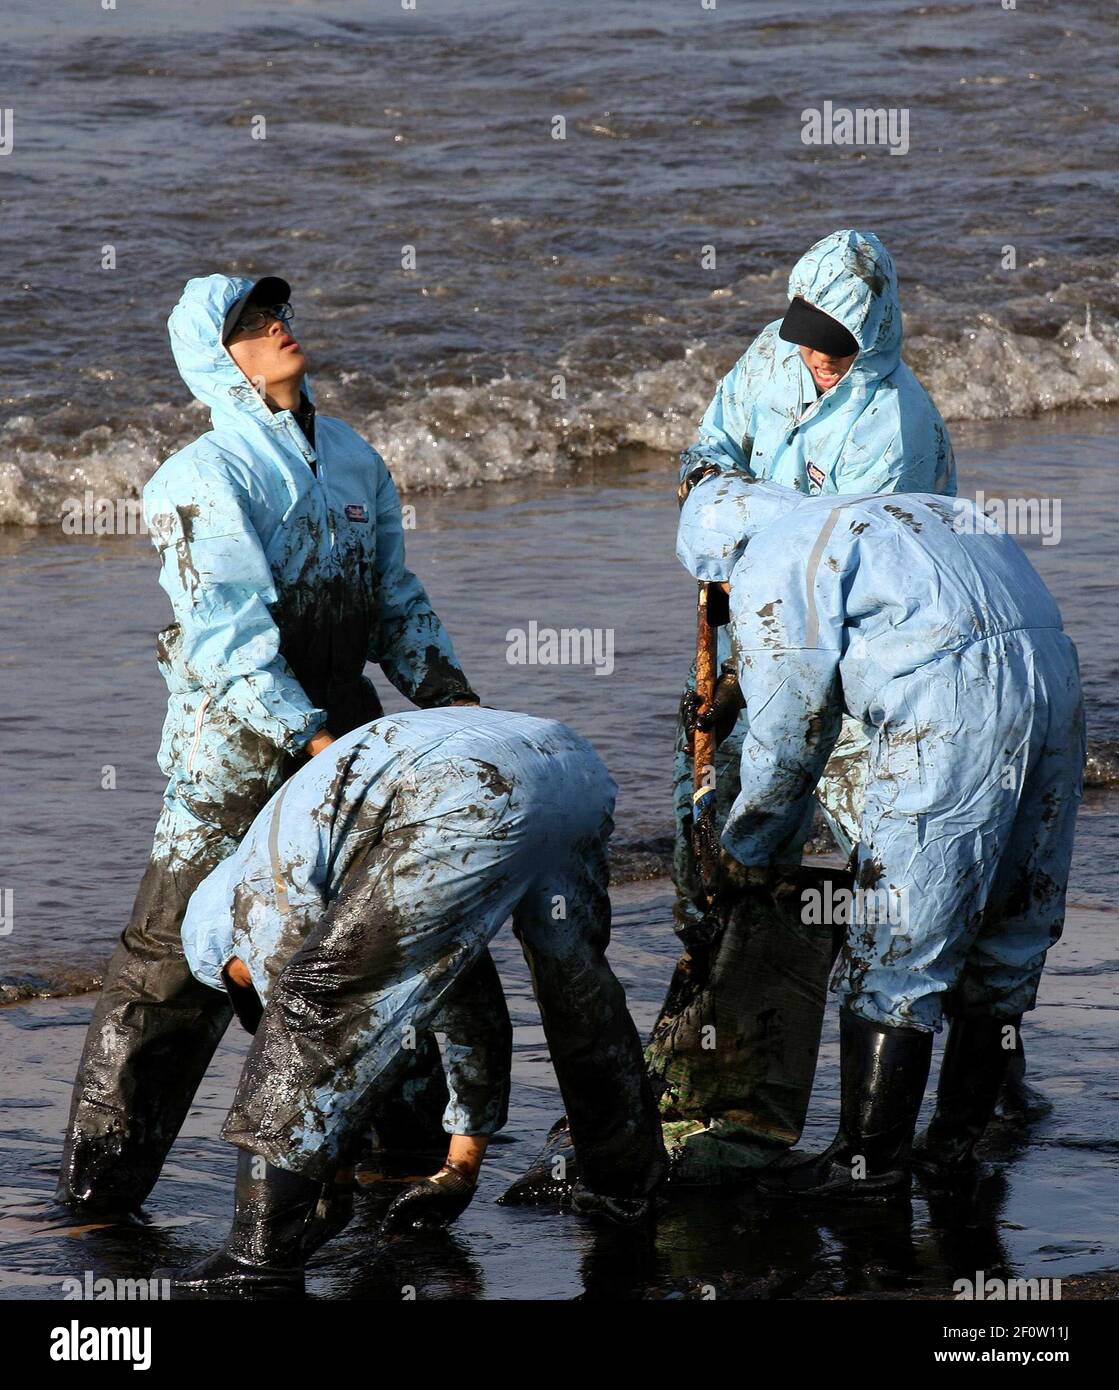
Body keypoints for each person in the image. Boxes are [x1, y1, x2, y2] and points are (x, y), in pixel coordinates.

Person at [58, 274, 478, 1218]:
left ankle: (393, 1159)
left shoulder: (355, 459)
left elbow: (393, 603)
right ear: (219, 358)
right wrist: (309, 737)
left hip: (345, 732)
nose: (276, 326)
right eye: (249, 323)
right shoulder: (202, 479)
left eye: (275, 311)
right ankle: (98, 1189)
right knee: (167, 969)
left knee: (369, 946)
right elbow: (228, 637)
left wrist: (454, 700)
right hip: (233, 755)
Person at [157, 706, 667, 1295]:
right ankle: (623, 1188)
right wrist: (460, 1169)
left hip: (461, 790)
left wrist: (335, 1181)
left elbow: (315, 1030)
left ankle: (256, 1259)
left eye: (238, 984)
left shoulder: (251, 890)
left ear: (226, 959)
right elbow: (469, 1004)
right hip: (570, 770)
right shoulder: (314, 833)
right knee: (578, 991)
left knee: (309, 1003)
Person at [697, 478, 1084, 1201]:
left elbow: (791, 731)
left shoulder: (769, 557)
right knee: (1011, 923)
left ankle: (865, 1164)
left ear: (722, 557)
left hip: (948, 706)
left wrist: (747, 851)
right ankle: (952, 1150)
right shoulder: (927, 508)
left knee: (898, 934)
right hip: (1054, 681)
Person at [672, 229, 956, 925]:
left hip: (860, 640)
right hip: (749, 612)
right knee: (705, 790)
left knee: (864, 812)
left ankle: (892, 947)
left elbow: (843, 579)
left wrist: (765, 678)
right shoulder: (774, 351)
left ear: (875, 333)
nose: (818, 356)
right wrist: (709, 490)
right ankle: (712, 933)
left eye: (838, 344)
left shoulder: (895, 430)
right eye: (808, 336)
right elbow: (708, 445)